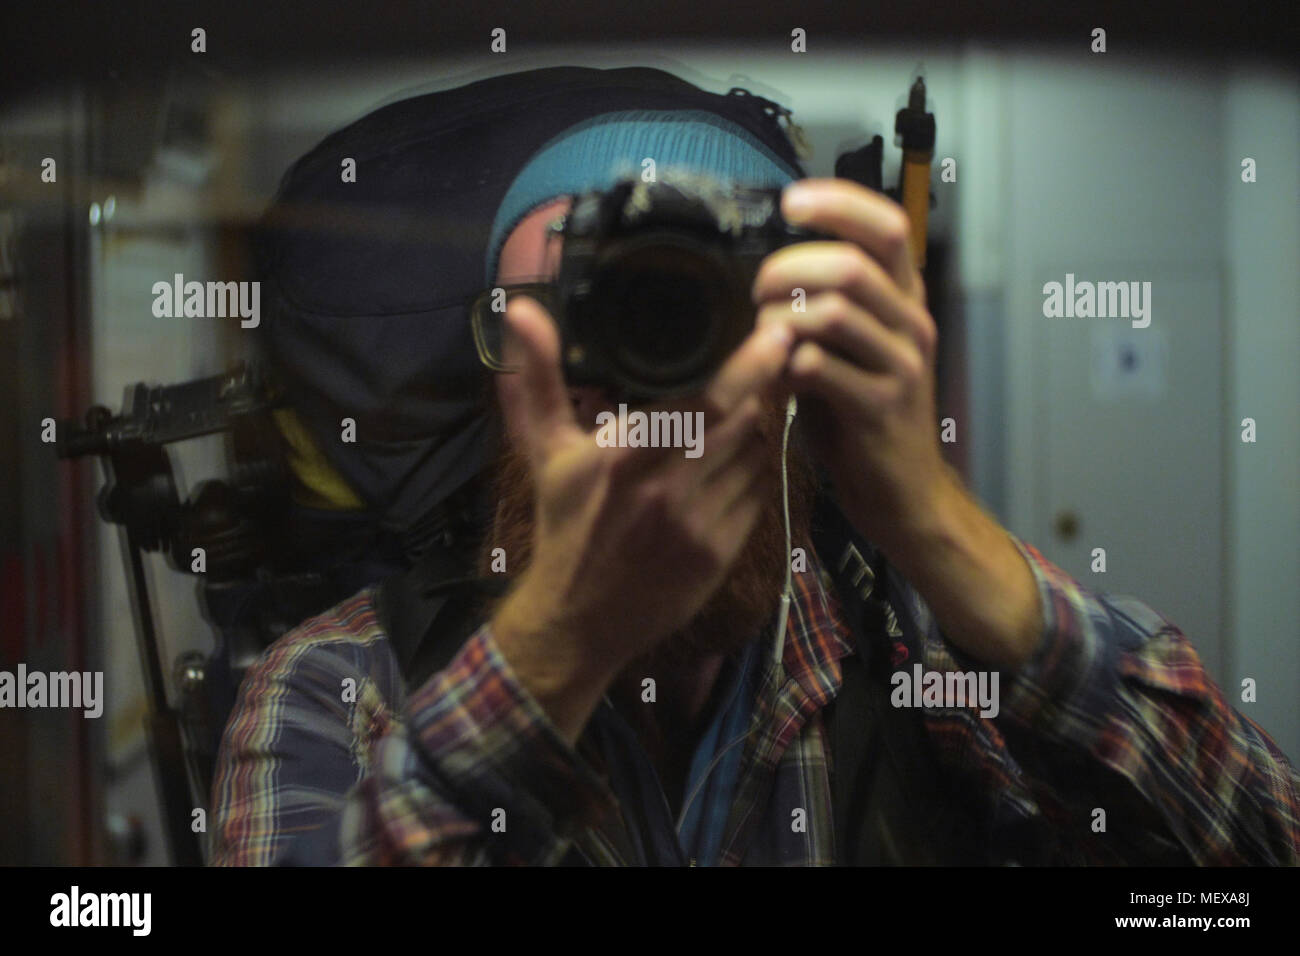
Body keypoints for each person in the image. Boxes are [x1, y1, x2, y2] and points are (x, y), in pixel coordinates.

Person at [211, 76, 1300, 867]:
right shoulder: (344, 687)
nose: (629, 386)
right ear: (498, 366)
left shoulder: (924, 659)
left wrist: (938, 528)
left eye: (687, 314)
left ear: (800, 359)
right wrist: (552, 655)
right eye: (576, 315)